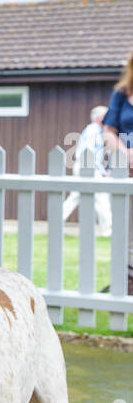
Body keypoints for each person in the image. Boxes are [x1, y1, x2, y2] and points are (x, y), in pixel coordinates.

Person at [102, 49, 133, 289]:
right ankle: (126, 280)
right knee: (125, 228)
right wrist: (126, 154)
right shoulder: (121, 94)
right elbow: (109, 130)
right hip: (124, 171)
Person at [62, 105, 111, 236]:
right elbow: (88, 154)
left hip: (85, 167)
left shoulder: (95, 130)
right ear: (100, 118)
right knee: (102, 197)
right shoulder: (93, 131)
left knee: (75, 197)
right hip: (88, 167)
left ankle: (56, 222)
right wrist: (102, 171)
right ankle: (107, 231)